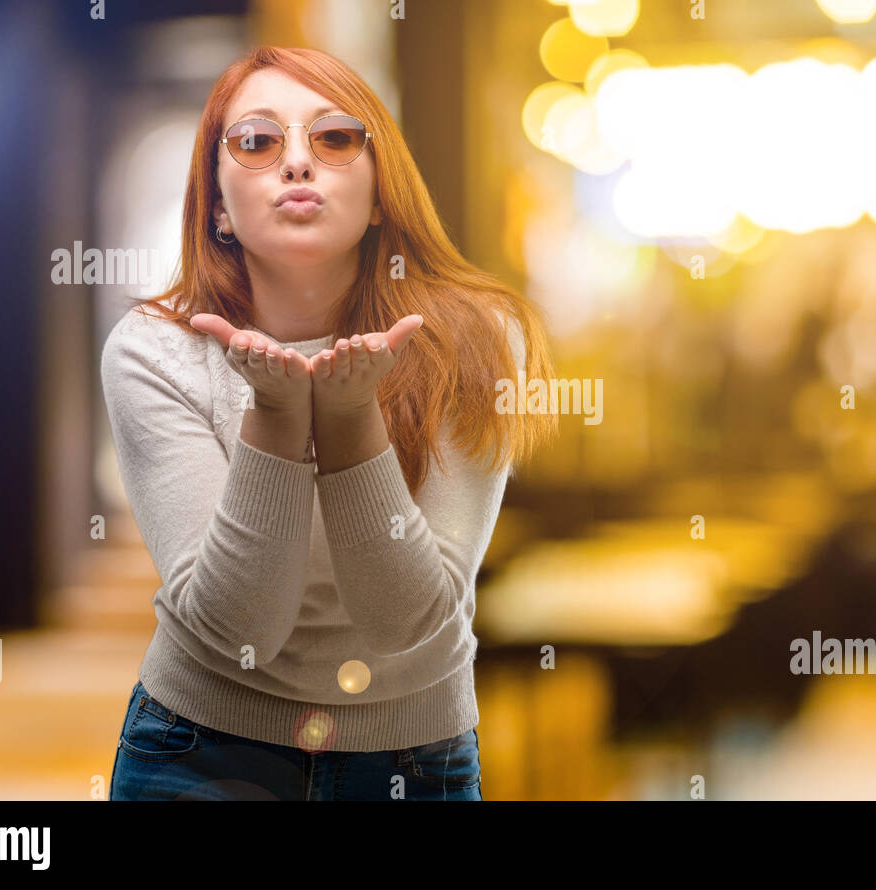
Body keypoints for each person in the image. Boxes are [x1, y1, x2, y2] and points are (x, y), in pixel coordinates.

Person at [102, 45, 555, 800]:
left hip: (414, 759)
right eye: (257, 142)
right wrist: (277, 416)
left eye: (335, 137)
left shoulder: (475, 339)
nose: (298, 163)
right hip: (198, 752)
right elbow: (239, 631)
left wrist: (347, 418)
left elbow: (405, 623)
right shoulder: (155, 350)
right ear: (215, 203)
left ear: (381, 192)